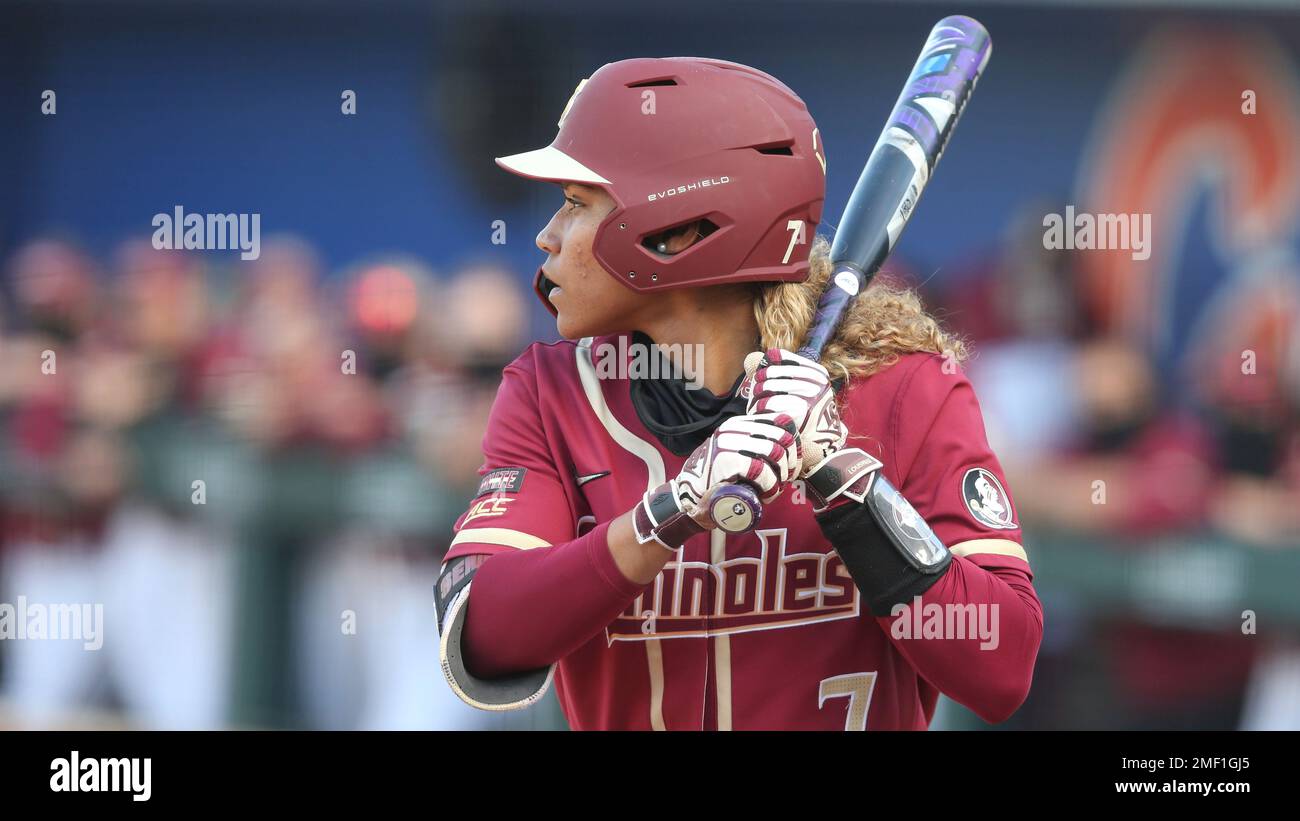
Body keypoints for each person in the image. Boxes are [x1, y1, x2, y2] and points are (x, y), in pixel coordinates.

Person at [434, 57, 1042, 730]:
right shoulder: (552, 392)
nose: (548, 234)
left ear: (679, 231)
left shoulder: (901, 386)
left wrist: (851, 490)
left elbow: (1002, 664)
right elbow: (484, 634)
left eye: (577, 203)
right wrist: (664, 517)